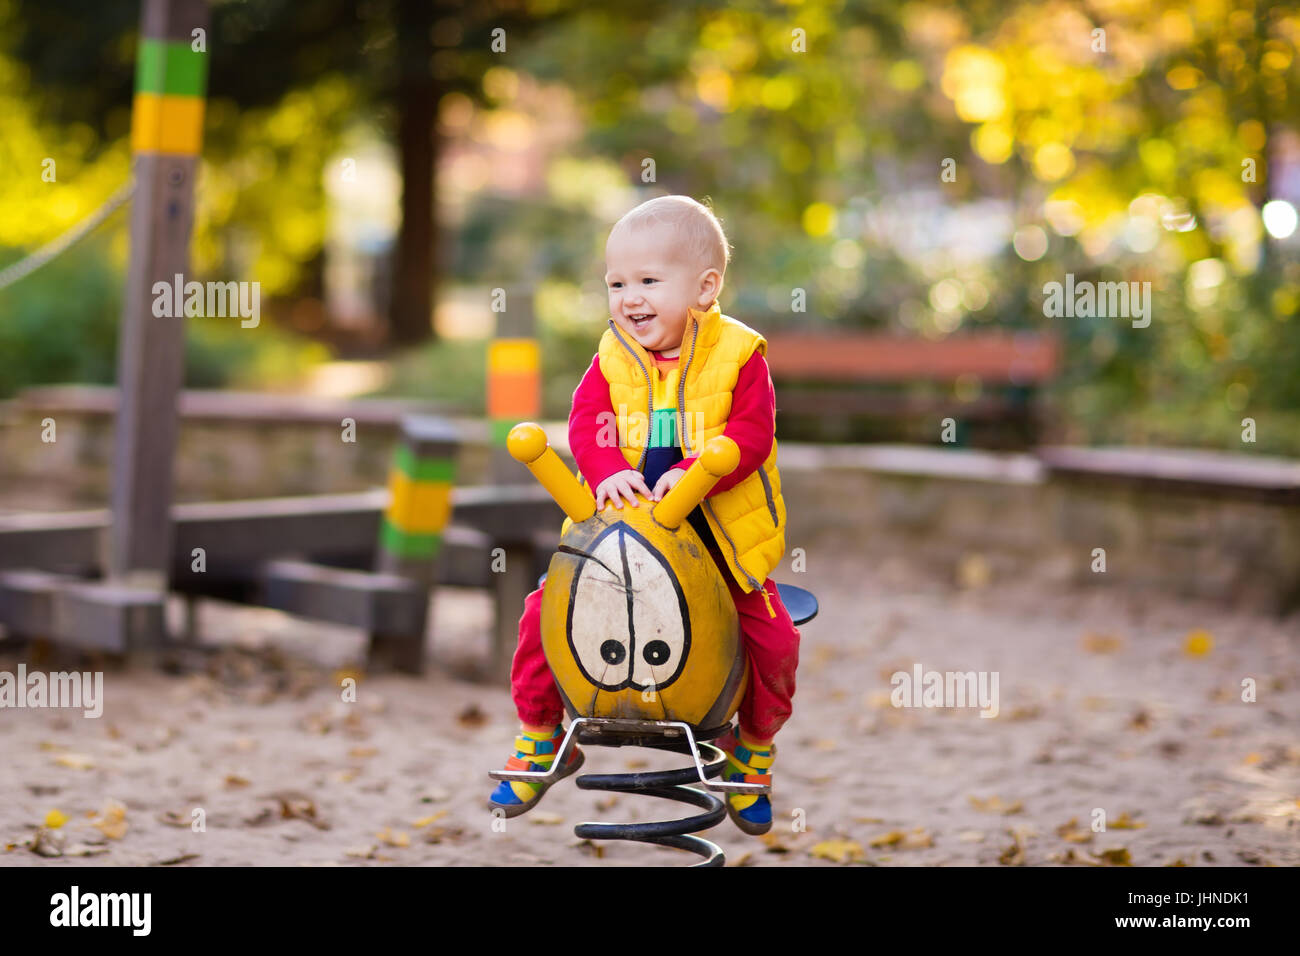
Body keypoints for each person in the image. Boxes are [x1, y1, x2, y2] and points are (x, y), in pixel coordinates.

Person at [488, 195, 800, 835]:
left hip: (719, 539)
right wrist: (606, 472)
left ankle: (752, 748)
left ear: (705, 288)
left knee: (774, 638)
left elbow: (752, 435)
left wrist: (697, 471)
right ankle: (543, 734)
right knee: (539, 614)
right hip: (620, 533)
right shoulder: (612, 357)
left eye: (650, 282)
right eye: (617, 284)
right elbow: (584, 424)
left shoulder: (740, 356)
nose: (630, 298)